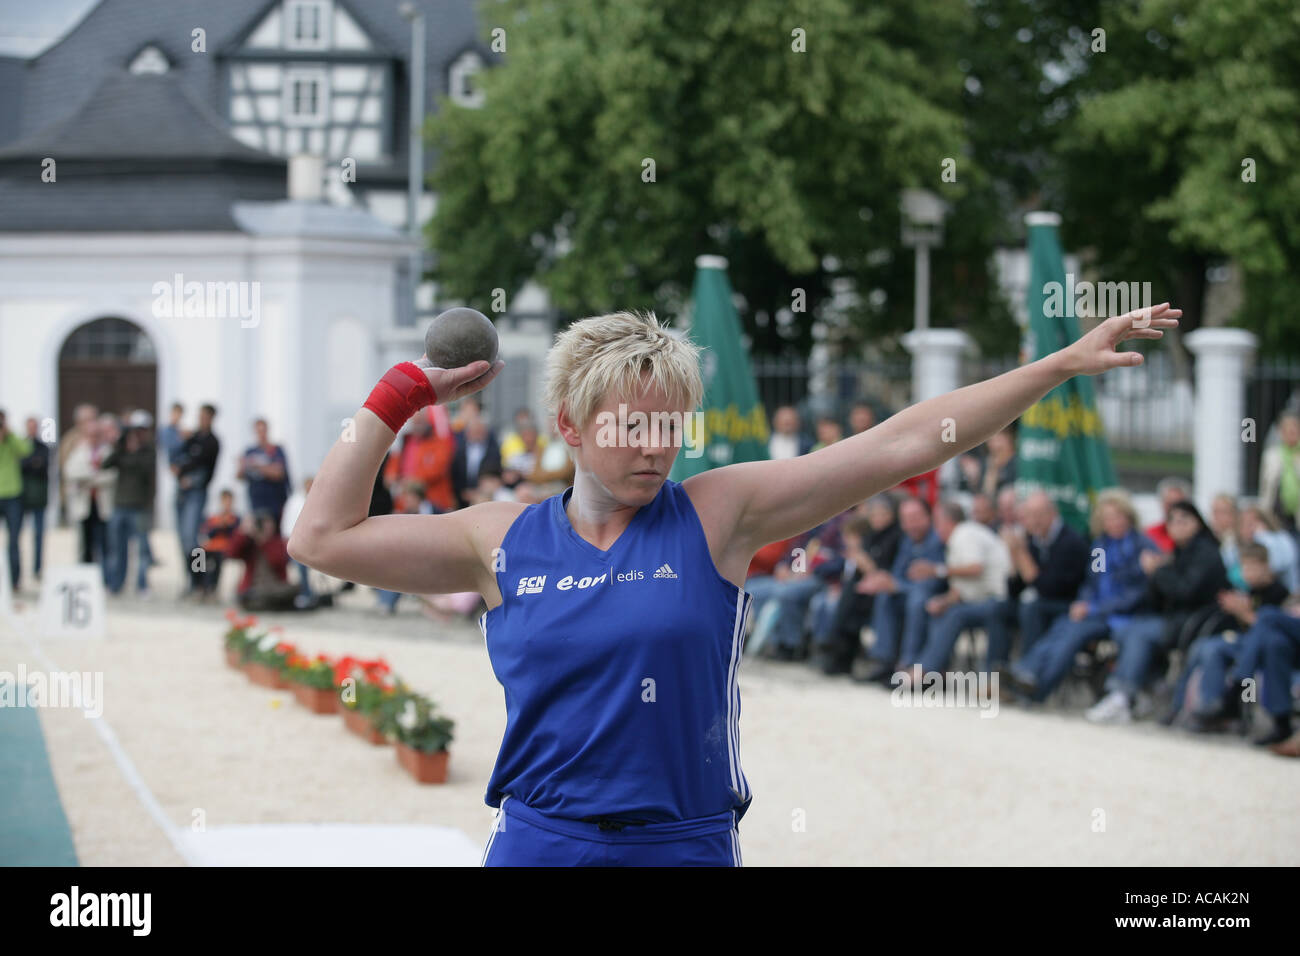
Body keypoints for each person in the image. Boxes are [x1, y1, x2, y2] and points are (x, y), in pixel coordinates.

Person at [288, 304, 1178, 867]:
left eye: (669, 425)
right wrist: (399, 397)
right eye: (631, 424)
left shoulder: (720, 514)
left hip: (686, 846)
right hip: (541, 844)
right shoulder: (499, 537)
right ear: (569, 424)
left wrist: (1057, 365)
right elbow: (322, 537)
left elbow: (906, 443)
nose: (653, 446)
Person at [1005, 489, 1159, 704]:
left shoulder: (1141, 546)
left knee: (1072, 634)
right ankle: (1027, 673)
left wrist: (1094, 608)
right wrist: (1084, 602)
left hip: (1123, 616)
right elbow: (1093, 581)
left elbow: (1136, 593)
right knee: (1064, 627)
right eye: (1108, 518)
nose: (1113, 522)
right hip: (1096, 611)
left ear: (1129, 517)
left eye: (1117, 516)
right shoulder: (1101, 547)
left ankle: (1036, 689)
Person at [1086, 500, 1229, 724]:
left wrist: (1157, 572)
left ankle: (1123, 695)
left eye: (1185, 520)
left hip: (1191, 622)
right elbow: (1096, 580)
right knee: (1121, 631)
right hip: (1156, 616)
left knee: (1137, 633)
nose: (1178, 525)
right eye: (1173, 521)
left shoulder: (1201, 552)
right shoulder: (1100, 546)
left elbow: (1183, 592)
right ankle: (1144, 688)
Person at [1164, 543, 1289, 731]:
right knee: (1204, 647)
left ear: (1266, 566)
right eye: (1245, 567)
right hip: (1244, 642)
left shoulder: (1279, 592)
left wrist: (1244, 613)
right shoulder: (1248, 590)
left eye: (1253, 567)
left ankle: (1236, 707)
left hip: (1263, 649)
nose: (1248, 573)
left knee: (1240, 664)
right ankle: (1199, 705)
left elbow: (1273, 630)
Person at [903, 500, 1013, 679]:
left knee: (955, 615)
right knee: (939, 610)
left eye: (937, 522)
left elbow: (976, 568)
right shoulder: (956, 541)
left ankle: (923, 671)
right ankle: (935, 671)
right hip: (978, 601)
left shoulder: (964, 533)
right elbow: (961, 589)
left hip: (997, 601)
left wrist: (937, 570)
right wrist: (943, 601)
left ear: (947, 521)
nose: (935, 528)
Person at [853, 496, 946, 684]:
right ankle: (884, 660)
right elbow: (898, 573)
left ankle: (909, 664)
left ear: (929, 517)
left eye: (915, 518)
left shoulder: (938, 540)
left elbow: (934, 583)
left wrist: (897, 585)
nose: (911, 524)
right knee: (885, 595)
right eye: (906, 520)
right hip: (910, 591)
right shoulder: (907, 541)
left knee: (918, 599)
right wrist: (887, 582)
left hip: (935, 596)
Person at [808, 496, 901, 676]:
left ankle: (834, 647)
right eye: (875, 514)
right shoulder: (870, 536)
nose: (879, 518)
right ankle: (836, 653)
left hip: (883, 588)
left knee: (851, 599)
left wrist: (865, 565)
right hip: (864, 587)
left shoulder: (896, 537)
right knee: (849, 595)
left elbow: (881, 571)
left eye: (884, 513)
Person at [1003, 491, 1089, 655]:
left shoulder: (1070, 541)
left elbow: (1049, 589)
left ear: (1053, 513)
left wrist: (1022, 554)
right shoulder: (1034, 539)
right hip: (1045, 601)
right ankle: (993, 670)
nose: (1033, 521)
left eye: (1038, 515)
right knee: (999, 608)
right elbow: (1013, 591)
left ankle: (1027, 668)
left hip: (1070, 604)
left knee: (1032, 608)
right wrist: (1014, 558)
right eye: (1028, 515)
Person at [101, 418, 156, 596]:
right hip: (120, 505)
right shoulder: (121, 452)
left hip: (139, 507)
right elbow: (105, 464)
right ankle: (116, 584)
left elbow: (145, 470)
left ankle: (142, 585)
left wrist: (133, 452)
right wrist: (120, 446)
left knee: (142, 549)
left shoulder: (148, 451)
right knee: (117, 549)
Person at [172, 404, 220, 598]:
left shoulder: (212, 442)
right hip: (182, 492)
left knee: (193, 540)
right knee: (184, 540)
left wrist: (190, 479)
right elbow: (177, 457)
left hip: (196, 493)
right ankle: (190, 580)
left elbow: (207, 470)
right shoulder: (191, 438)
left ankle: (199, 579)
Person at [229, 510, 298, 611]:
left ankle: (268, 603)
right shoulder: (249, 543)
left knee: (292, 589)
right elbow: (231, 553)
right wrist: (242, 532)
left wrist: (265, 541)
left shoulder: (278, 542)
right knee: (250, 595)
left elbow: (278, 561)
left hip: (275, 587)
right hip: (254, 590)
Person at [238, 418, 291, 527]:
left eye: (263, 430)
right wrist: (242, 466)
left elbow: (279, 473)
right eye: (258, 431)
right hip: (256, 501)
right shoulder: (250, 451)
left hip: (275, 502)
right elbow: (240, 476)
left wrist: (257, 466)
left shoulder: (276, 450)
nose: (261, 434)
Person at [0, 410, 32, 590]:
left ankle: (14, 580)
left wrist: (9, 433)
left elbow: (26, 449)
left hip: (13, 495)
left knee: (13, 541)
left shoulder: (11, 440)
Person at [19, 417, 51, 586]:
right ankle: (18, 570)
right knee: (18, 535)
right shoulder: (22, 445)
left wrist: (28, 463)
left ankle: (37, 568)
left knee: (39, 535)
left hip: (39, 498)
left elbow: (41, 465)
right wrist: (32, 463)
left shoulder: (43, 447)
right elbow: (22, 464)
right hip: (23, 497)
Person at [1259, 411, 1300, 533]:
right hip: (1277, 512)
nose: (1291, 435)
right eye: (1287, 431)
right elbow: (1265, 486)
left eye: (1294, 431)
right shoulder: (1272, 455)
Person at [199, 490, 241, 601]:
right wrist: (219, 526)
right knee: (197, 556)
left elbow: (235, 534)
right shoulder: (214, 518)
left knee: (217, 562)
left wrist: (226, 526)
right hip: (211, 548)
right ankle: (200, 585)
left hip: (225, 548)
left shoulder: (235, 519)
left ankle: (213, 588)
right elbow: (208, 534)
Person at [1143, 477, 1190, 553]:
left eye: (1178, 505)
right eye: (1169, 504)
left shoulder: (1196, 535)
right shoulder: (1150, 534)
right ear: (1162, 503)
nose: (1173, 510)